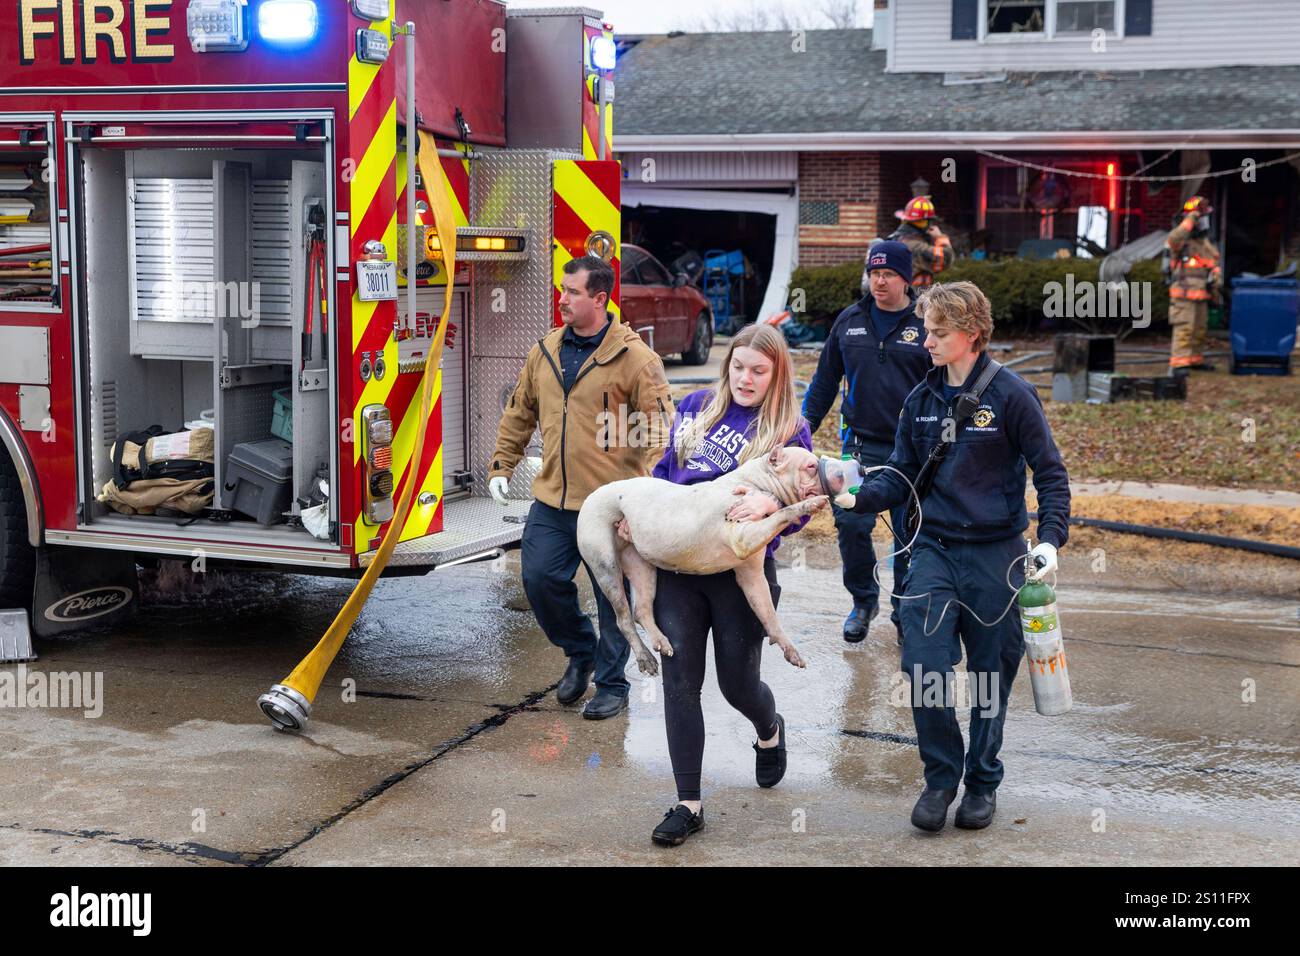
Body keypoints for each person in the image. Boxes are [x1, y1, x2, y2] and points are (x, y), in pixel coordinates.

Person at [838, 281, 1070, 833]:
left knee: (991, 678)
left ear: (972, 334)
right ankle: (941, 777)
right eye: (928, 332)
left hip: (999, 556)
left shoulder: (1013, 395)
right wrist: (856, 495)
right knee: (923, 668)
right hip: (933, 552)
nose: (929, 343)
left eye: (940, 334)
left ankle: (982, 782)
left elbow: (1052, 474)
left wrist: (1049, 540)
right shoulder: (919, 400)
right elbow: (899, 472)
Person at [647, 323, 813, 847]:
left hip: (740, 575)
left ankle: (769, 730)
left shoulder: (789, 429)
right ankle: (687, 803)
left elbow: (805, 506)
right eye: (738, 366)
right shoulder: (697, 405)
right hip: (678, 569)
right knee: (680, 684)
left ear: (776, 374)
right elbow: (664, 471)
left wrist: (774, 508)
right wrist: (642, 514)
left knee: (737, 685)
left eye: (758, 371)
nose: (745, 378)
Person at [489, 256, 674, 719]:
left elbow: (659, 431)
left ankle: (613, 684)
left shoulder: (636, 359)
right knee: (539, 580)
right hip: (552, 498)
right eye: (561, 289)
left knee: (615, 598)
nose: (562, 298)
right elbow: (519, 411)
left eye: (572, 292)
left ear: (599, 298)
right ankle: (580, 649)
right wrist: (501, 464)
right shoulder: (546, 350)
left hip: (610, 506)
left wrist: (644, 494)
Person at [804, 240, 930, 645]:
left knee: (909, 532)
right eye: (874, 273)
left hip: (912, 449)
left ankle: (904, 610)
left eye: (888, 274)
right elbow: (824, 384)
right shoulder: (849, 321)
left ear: (906, 279)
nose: (879, 280)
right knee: (851, 522)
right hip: (859, 446)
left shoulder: (925, 325)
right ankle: (863, 602)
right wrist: (802, 430)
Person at [1165, 195, 1221, 373]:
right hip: (1183, 295)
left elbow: (1213, 263)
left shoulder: (1204, 243)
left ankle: (1195, 360)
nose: (1204, 222)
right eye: (1200, 218)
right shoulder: (1180, 240)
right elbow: (1174, 238)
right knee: (1184, 329)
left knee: (1199, 330)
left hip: (1201, 294)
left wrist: (1216, 280)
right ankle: (1179, 364)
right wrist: (1191, 217)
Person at [879, 196, 952, 290]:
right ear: (924, 222)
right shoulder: (915, 246)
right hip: (914, 300)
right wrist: (940, 237)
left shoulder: (897, 239)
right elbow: (946, 258)